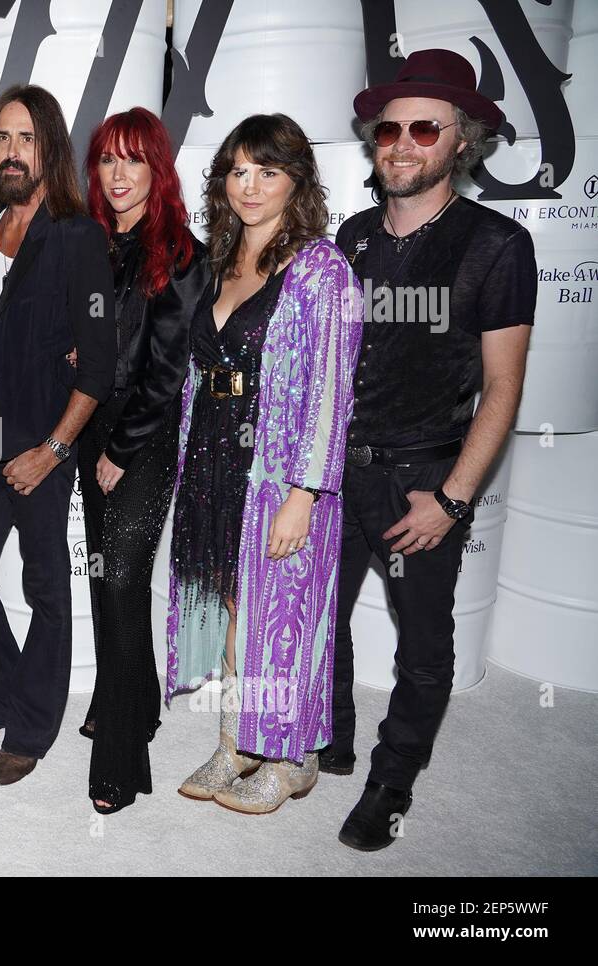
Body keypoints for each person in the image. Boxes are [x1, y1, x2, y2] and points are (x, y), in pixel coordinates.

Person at [327, 49, 534, 850]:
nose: (402, 143)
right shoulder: (350, 238)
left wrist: (451, 498)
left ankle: (392, 781)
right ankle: (334, 740)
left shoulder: (497, 245)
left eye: (424, 127)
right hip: (337, 472)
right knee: (317, 619)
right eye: (389, 128)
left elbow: (504, 390)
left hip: (423, 477)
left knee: (422, 645)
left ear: (462, 141)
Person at [166, 113, 363, 814]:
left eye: (268, 171)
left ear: (296, 181)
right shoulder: (221, 260)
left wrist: (307, 492)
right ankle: (239, 740)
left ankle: (294, 754)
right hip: (215, 458)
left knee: (282, 611)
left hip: (280, 470)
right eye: (238, 170)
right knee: (233, 606)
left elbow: (333, 392)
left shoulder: (322, 267)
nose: (249, 186)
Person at [0, 84, 116, 786]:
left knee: (47, 587)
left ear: (49, 148)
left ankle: (33, 726)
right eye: (3, 138)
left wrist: (53, 451)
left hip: (38, 442)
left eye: (27, 138)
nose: (12, 151)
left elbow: (100, 361)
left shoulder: (77, 237)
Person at [76, 108, 209, 813]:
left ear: (158, 168)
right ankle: (131, 699)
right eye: (107, 160)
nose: (120, 174)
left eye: (135, 159)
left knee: (124, 581)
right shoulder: (87, 243)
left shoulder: (181, 253)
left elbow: (166, 373)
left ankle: (120, 761)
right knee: (104, 578)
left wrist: (121, 452)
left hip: (144, 441)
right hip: (87, 430)